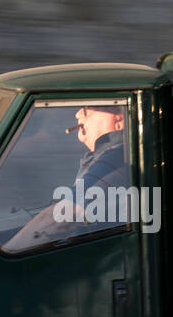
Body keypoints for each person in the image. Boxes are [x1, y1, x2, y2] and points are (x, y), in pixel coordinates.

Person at [7, 105, 128, 249]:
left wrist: (9, 250)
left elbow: (64, 215)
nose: (78, 114)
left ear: (119, 120)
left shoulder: (115, 157)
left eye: (88, 109)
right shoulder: (109, 155)